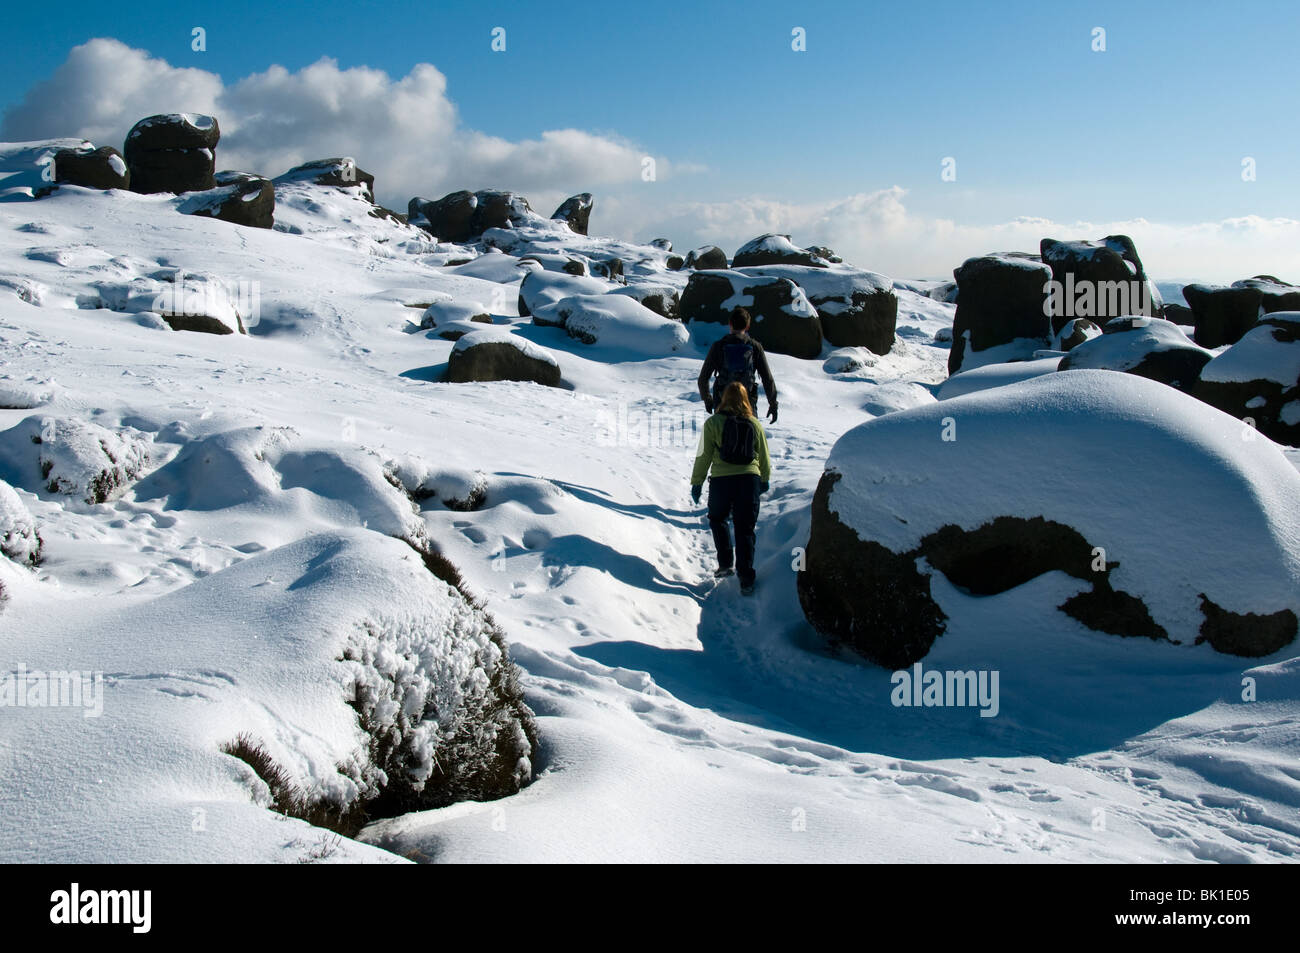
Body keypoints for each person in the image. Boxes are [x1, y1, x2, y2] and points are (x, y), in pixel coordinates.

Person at [690, 380, 772, 595]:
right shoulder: (754, 424)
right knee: (745, 528)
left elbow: (703, 455)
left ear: (723, 398)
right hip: (749, 480)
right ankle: (746, 578)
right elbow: (763, 454)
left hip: (721, 481)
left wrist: (697, 482)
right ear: (746, 399)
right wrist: (764, 479)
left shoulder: (713, 423)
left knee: (718, 519)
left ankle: (725, 564)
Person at [697, 309, 778, 423]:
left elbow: (703, 378)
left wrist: (707, 400)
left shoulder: (718, 346)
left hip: (722, 404)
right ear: (748, 326)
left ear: (730, 324)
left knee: (723, 437)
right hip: (747, 404)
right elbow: (767, 378)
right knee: (749, 436)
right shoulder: (755, 347)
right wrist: (773, 404)